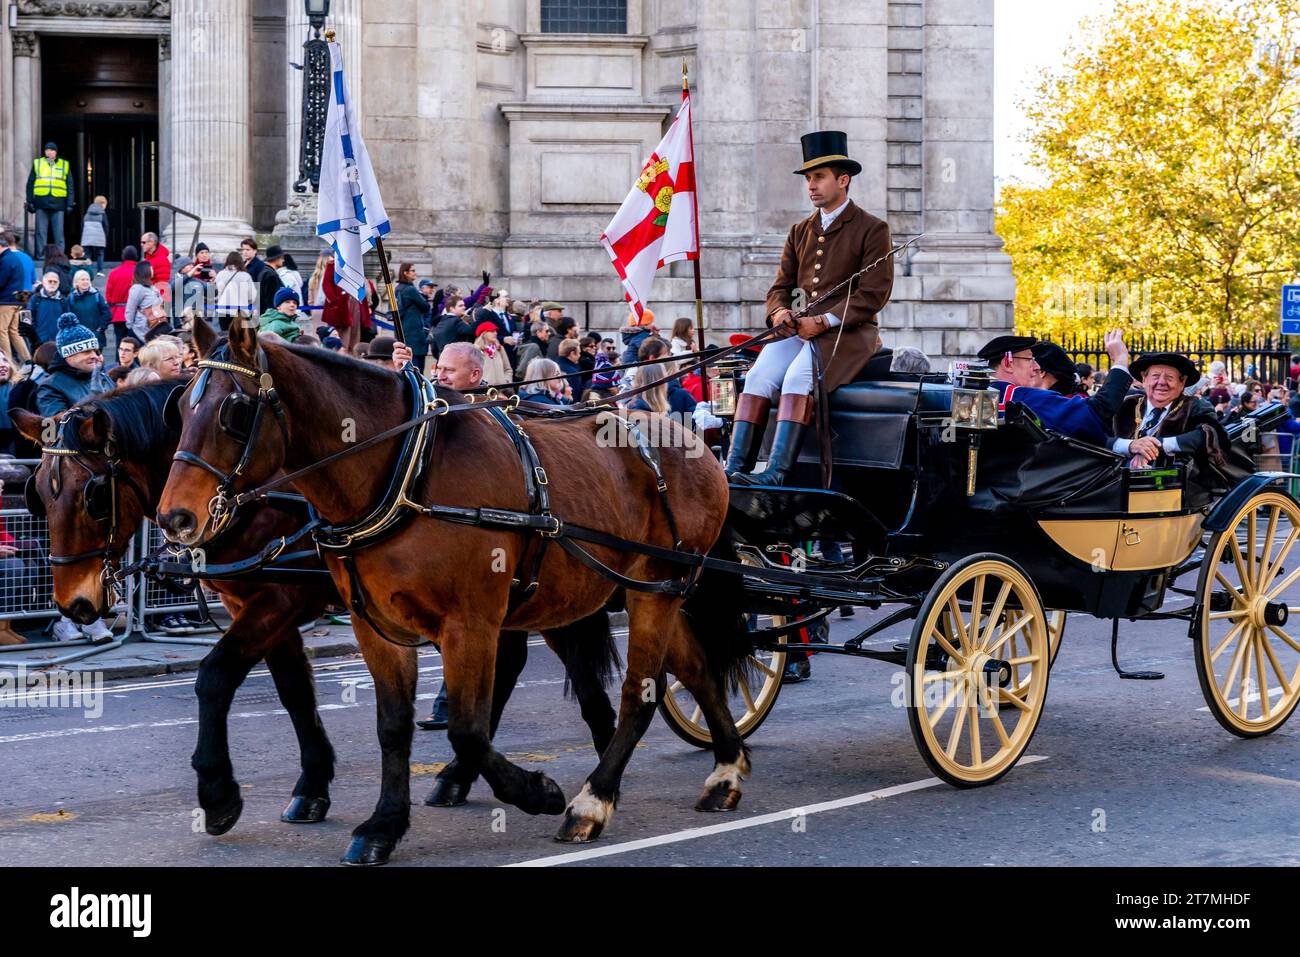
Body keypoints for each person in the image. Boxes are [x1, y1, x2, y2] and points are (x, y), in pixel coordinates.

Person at [727, 130, 895, 487]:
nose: (811, 186)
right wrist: (779, 313)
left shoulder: (872, 229)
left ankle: (776, 474)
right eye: (808, 179)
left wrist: (824, 320)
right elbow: (780, 287)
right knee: (757, 376)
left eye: (819, 177)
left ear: (843, 180)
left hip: (846, 335)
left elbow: (873, 293)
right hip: (798, 330)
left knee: (797, 377)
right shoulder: (799, 231)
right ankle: (735, 468)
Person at [981, 332, 1133, 446]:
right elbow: (1096, 411)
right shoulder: (1025, 398)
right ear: (1007, 363)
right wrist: (1120, 359)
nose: (1036, 366)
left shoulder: (972, 398)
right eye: (1029, 360)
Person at [1112, 352, 1231, 470]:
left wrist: (1156, 445)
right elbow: (1099, 438)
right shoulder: (1126, 404)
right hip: (1114, 480)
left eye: (1170, 377)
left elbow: (1210, 434)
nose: (1162, 382)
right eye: (1155, 376)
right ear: (1144, 379)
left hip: (1174, 483)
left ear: (1182, 383)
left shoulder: (1196, 406)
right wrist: (1130, 446)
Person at [26, 142, 72, 250]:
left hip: (58, 203)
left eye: (51, 150)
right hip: (41, 202)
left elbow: (70, 185)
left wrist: (70, 203)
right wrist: (30, 201)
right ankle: (41, 256)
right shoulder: (38, 163)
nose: (49, 152)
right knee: (41, 232)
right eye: (47, 150)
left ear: (56, 152)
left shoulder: (64, 164)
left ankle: (60, 256)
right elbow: (30, 184)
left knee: (59, 233)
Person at [395, 263, 431, 372]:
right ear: (405, 273)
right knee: (417, 370)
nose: (415, 273)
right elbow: (426, 306)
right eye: (413, 271)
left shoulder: (397, 289)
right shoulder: (410, 289)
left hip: (404, 334)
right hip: (415, 336)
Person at [0, 233, 31, 362]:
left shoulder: (5, 260)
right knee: (14, 331)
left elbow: (1, 282)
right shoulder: (16, 257)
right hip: (20, 299)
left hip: (7, 300)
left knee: (1, 331)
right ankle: (29, 361)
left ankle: (8, 363)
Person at [67, 268, 111, 348]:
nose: (86, 281)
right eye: (82, 279)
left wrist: (100, 329)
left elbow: (107, 314)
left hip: (95, 338)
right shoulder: (71, 298)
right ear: (76, 282)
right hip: (78, 340)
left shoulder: (96, 296)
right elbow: (67, 317)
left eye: (87, 279)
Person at [215, 251, 258, 329]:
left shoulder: (220, 274)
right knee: (240, 337)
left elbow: (218, 291)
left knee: (226, 336)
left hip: (223, 311)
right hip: (240, 312)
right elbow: (252, 296)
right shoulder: (245, 276)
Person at [124, 260, 165, 341]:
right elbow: (130, 309)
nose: (153, 270)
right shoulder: (137, 288)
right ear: (145, 271)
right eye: (151, 268)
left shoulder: (152, 287)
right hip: (142, 329)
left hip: (155, 326)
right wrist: (130, 327)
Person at [30, 270, 67, 345]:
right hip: (38, 341)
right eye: (50, 281)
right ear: (43, 283)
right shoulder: (36, 299)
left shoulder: (63, 300)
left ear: (59, 283)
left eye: (55, 282)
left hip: (58, 342)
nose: (52, 284)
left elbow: (67, 321)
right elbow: (29, 318)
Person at [474, 319, 512, 386]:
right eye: (492, 331)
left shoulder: (500, 348)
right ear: (484, 334)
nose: (495, 333)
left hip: (502, 390)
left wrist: (507, 381)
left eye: (495, 331)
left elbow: (508, 369)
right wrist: (481, 385)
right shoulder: (475, 350)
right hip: (484, 392)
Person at [80, 195, 109, 275]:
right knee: (100, 253)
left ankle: (87, 270)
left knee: (87, 254)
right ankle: (100, 271)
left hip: (87, 237)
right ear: (103, 204)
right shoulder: (102, 214)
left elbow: (82, 225)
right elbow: (105, 225)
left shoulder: (87, 213)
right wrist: (106, 235)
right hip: (99, 237)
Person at [258, 244, 287, 313]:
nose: (283, 260)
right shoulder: (270, 275)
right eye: (282, 257)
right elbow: (271, 299)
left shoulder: (264, 272)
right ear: (277, 258)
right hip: (270, 316)